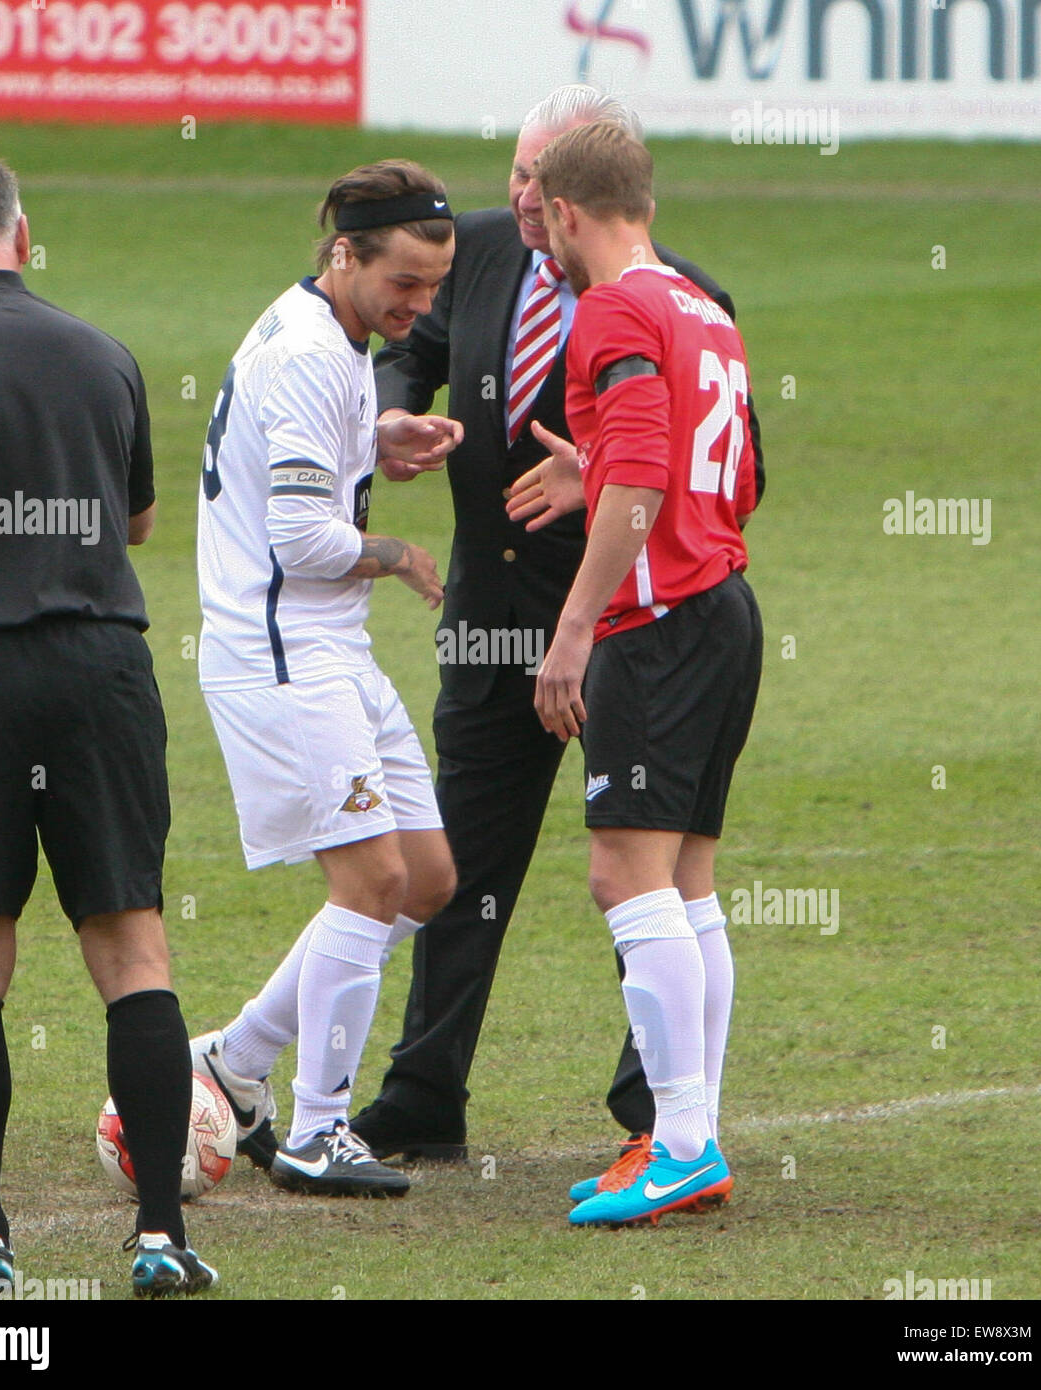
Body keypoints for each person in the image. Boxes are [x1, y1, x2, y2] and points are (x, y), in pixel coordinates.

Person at [352, 85, 764, 1162]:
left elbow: (710, 469)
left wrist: (610, 485)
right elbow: (413, 341)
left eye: (544, 179)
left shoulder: (655, 298)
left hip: (622, 619)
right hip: (496, 623)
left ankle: (659, 1118)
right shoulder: (485, 253)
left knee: (647, 868)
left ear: (585, 184)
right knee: (463, 862)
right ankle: (423, 1091)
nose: (525, 197)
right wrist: (388, 412)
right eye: (518, 174)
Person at [0, 152, 214, 1294]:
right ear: (24, 234)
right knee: (132, 950)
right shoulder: (103, 354)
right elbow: (132, 520)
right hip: (98, 668)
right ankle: (159, 1236)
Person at [506, 119, 762, 1225]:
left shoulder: (609, 308)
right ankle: (686, 1137)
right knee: (686, 880)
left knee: (624, 878)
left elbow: (645, 479)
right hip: (724, 609)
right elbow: (736, 478)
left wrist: (572, 631)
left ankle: (683, 1143)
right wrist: (604, 470)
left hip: (655, 625)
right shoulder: (702, 308)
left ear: (564, 214)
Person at [191, 160, 461, 1198]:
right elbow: (303, 538)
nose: (418, 306)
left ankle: (235, 1059)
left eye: (434, 287)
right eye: (404, 282)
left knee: (426, 877)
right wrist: (396, 553)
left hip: (328, 647)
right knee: (372, 881)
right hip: (283, 651)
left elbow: (290, 464)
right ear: (343, 253)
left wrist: (372, 435)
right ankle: (317, 1129)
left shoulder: (333, 332)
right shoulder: (311, 353)